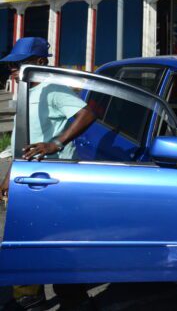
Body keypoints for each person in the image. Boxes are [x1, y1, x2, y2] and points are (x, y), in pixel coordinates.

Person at [1, 37, 98, 311]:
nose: (12, 69)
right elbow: (23, 140)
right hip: (29, 179)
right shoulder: (26, 92)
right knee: (25, 237)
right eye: (11, 64)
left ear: (40, 63)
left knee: (58, 239)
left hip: (54, 180)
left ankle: (73, 297)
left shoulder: (52, 89)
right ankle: (30, 297)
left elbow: (89, 113)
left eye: (19, 63)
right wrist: (10, 173)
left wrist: (56, 143)